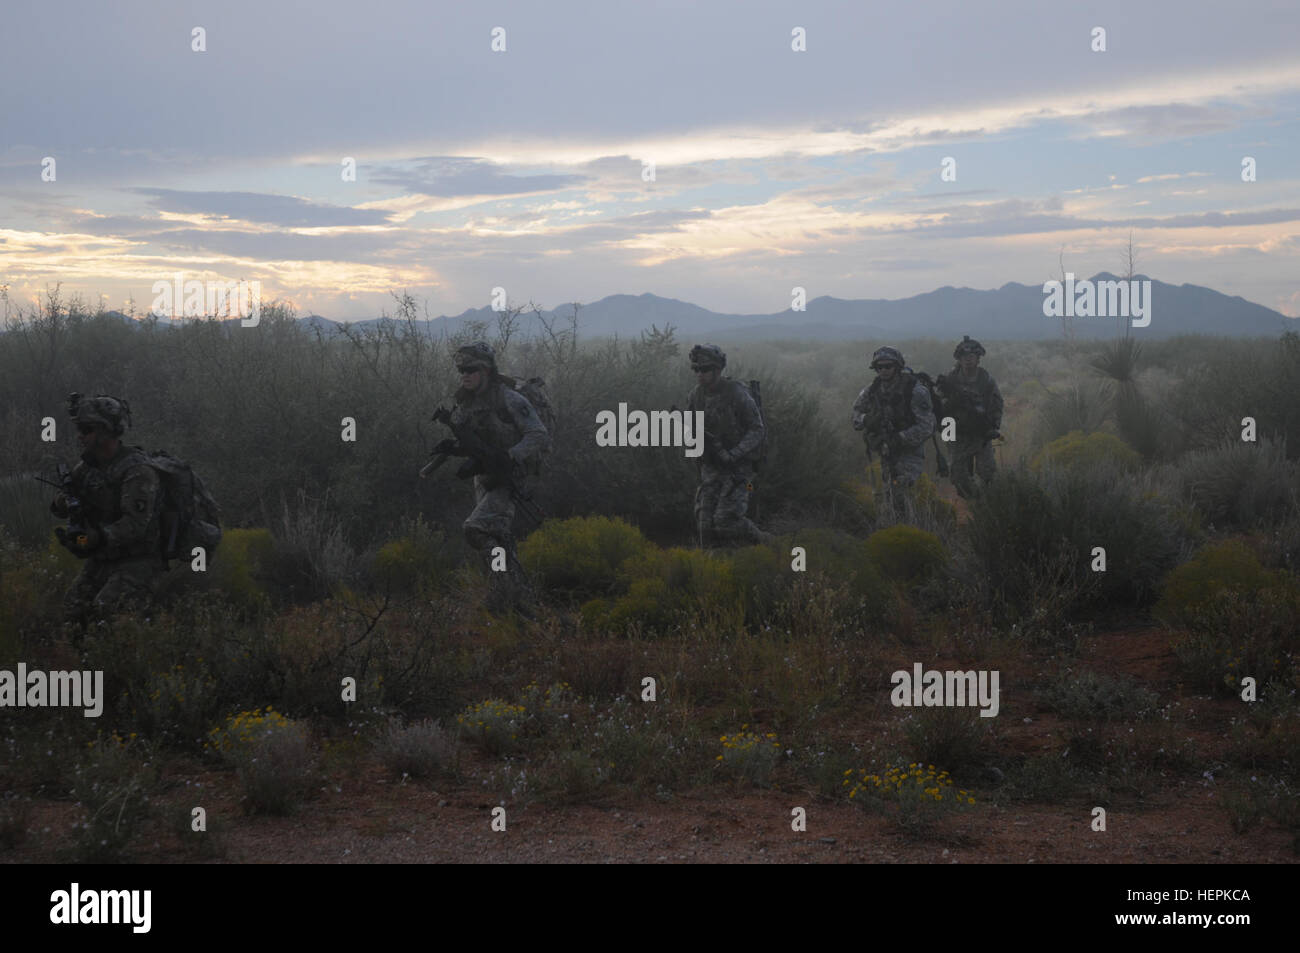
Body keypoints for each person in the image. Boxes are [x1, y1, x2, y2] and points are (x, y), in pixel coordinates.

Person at [449, 342, 550, 613]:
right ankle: (512, 598)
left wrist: (511, 456)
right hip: (485, 476)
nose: (465, 375)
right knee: (499, 536)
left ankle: (512, 589)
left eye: (471, 369)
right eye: (461, 370)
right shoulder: (467, 402)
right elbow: (474, 439)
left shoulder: (509, 399)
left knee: (476, 529)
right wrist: (456, 449)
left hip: (509, 477)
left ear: (486, 371)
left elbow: (538, 434)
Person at [51, 393, 162, 629]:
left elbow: (136, 524)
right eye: (79, 429)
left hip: (137, 561)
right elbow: (66, 504)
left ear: (106, 431)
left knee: (105, 614)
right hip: (103, 558)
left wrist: (96, 537)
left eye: (86, 429)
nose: (80, 436)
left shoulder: (138, 470)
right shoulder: (88, 467)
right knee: (73, 610)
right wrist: (63, 504)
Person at [686, 344, 771, 547]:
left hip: (737, 470)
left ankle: (769, 544)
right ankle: (713, 570)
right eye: (696, 369)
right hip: (711, 469)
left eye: (705, 369)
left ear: (718, 370)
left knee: (726, 522)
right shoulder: (696, 396)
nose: (700, 374)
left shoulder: (736, 393)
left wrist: (733, 454)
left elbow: (757, 429)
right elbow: (691, 430)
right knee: (705, 527)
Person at [852, 346, 935, 518]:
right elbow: (855, 415)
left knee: (901, 490)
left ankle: (913, 530)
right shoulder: (872, 390)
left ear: (897, 367)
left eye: (888, 366)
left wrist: (899, 438)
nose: (883, 370)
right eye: (879, 367)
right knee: (890, 493)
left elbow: (926, 426)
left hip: (909, 452)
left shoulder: (915, 391)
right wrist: (867, 419)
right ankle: (899, 527)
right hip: (885, 452)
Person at [936, 336, 1003, 500]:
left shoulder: (986, 380)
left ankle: (987, 505)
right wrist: (947, 431)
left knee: (987, 474)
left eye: (971, 357)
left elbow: (997, 404)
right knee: (959, 479)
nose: (968, 360)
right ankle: (975, 502)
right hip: (957, 434)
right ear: (959, 359)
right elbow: (938, 408)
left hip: (981, 433)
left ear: (978, 359)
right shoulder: (949, 380)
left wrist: (993, 426)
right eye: (964, 357)